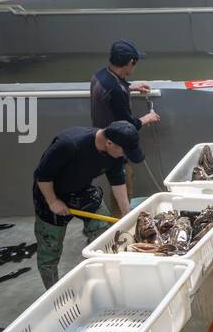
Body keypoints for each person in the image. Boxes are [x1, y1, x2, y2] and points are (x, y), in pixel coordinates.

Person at [32, 121, 143, 288]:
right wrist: (53, 201)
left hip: (81, 189)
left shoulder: (115, 154)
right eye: (123, 151)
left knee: (105, 233)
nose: (124, 155)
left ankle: (108, 282)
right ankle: (52, 291)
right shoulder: (69, 144)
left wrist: (126, 213)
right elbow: (42, 176)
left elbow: (117, 181)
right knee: (49, 250)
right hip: (49, 193)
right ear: (109, 143)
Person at [91, 40, 159, 214]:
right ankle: (121, 220)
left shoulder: (100, 75)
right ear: (130, 62)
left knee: (118, 185)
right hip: (115, 146)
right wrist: (147, 118)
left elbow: (114, 88)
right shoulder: (116, 91)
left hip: (101, 138)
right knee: (123, 187)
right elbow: (128, 126)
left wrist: (130, 87)